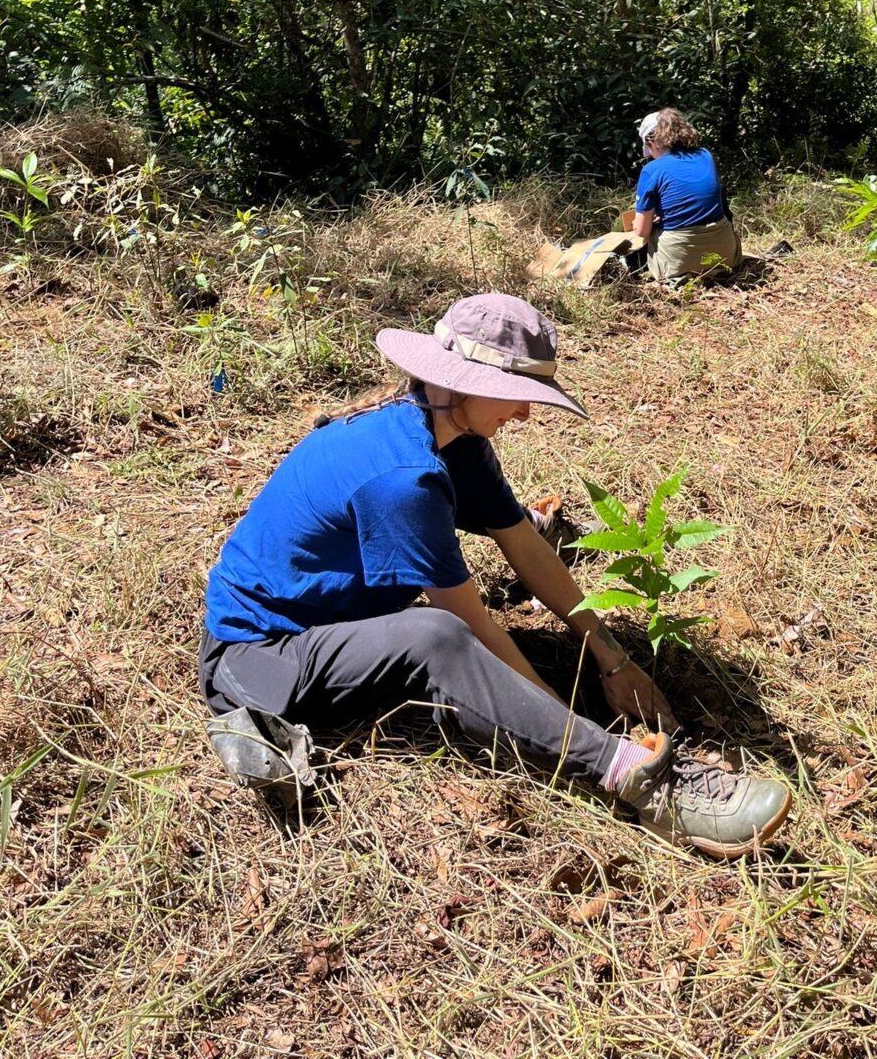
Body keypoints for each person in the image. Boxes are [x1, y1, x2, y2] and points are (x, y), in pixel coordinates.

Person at [199, 293, 791, 858]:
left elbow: (526, 549)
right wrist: (570, 723)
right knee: (431, 636)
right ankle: (638, 780)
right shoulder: (404, 478)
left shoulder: (453, 437)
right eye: (515, 392)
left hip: (335, 621)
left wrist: (612, 657)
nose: (526, 410)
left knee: (450, 620)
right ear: (464, 384)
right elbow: (468, 625)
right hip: (259, 658)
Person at [632, 108, 743, 285]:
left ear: (653, 140)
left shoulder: (651, 170)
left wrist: (642, 223)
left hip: (679, 262)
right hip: (724, 255)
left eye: (648, 148)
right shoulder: (705, 155)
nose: (650, 154)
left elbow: (641, 231)